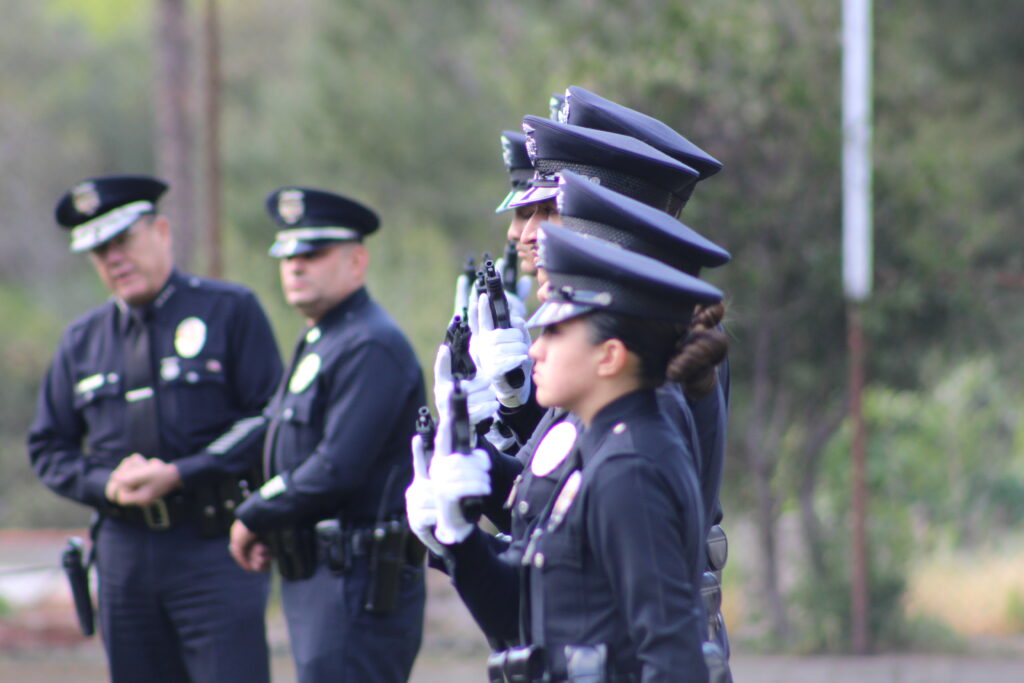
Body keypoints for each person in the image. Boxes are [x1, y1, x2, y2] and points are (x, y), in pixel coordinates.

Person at [430, 223, 724, 681]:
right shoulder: (599, 443)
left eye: (555, 333)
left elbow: (671, 658)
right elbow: (529, 615)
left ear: (609, 356)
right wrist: (457, 538)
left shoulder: (631, 468)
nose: (536, 351)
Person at [27, 174, 282, 682]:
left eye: (122, 240)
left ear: (161, 231)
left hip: (214, 548)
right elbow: (49, 447)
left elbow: (271, 420)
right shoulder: (82, 341)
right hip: (125, 560)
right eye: (99, 251)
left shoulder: (230, 311)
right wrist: (106, 484)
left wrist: (183, 473)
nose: (113, 259)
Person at [230, 187, 426, 683]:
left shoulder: (370, 344)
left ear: (357, 261)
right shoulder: (326, 336)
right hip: (320, 577)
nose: (295, 266)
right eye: (287, 255)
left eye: (312, 254)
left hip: (356, 580)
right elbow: (273, 433)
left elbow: (335, 468)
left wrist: (254, 513)